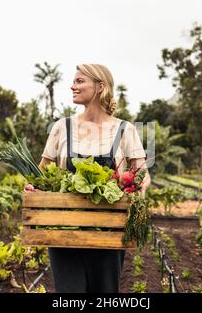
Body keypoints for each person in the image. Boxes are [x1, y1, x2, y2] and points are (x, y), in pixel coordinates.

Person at [29, 63, 151, 293]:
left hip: (108, 228)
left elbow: (142, 173)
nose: (72, 86)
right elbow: (43, 171)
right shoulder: (61, 127)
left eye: (79, 81)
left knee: (104, 292)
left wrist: (140, 186)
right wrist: (34, 186)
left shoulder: (125, 130)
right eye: (74, 81)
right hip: (64, 227)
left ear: (100, 87)